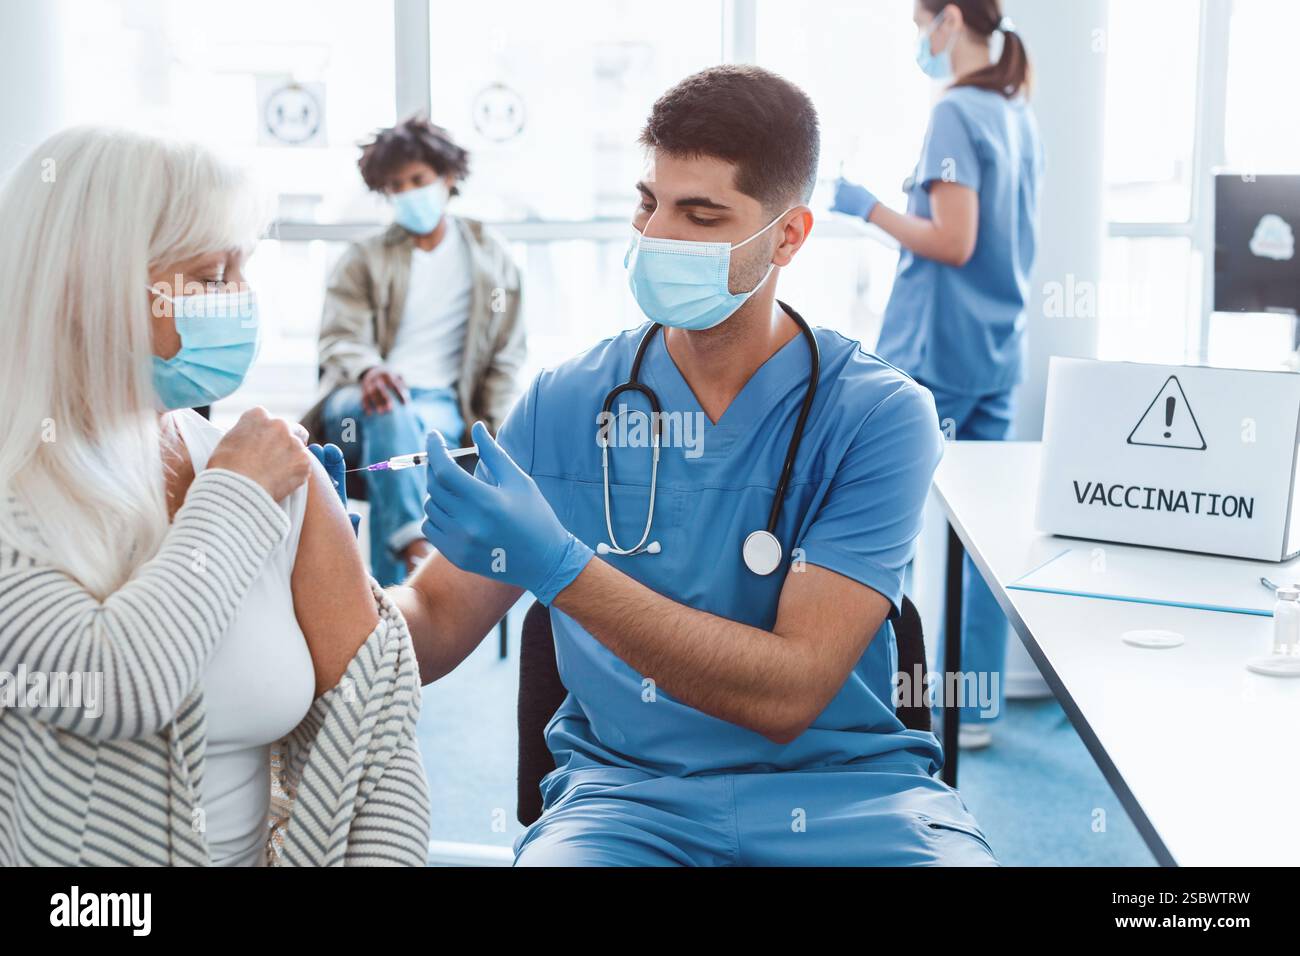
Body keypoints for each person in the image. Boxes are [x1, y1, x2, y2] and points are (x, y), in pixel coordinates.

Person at [389, 65, 996, 865]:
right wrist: (309, 546)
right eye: (650, 203)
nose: (658, 236)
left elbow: (788, 693)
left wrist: (560, 566)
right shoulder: (566, 403)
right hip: (623, 802)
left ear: (789, 235)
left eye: (701, 214)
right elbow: (430, 627)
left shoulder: (880, 416)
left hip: (856, 801)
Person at [0, 127, 429, 866]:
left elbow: (377, 732)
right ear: (84, 288)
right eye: (206, 276)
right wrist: (233, 496)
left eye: (242, 269)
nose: (238, 302)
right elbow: (116, 685)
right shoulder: (26, 492)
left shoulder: (272, 473)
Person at [832, 0, 1044, 749]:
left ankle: (883, 706)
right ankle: (972, 710)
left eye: (921, 22)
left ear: (948, 19)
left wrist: (867, 208)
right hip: (995, 350)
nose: (920, 39)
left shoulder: (957, 110)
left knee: (885, 529)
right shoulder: (1015, 108)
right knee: (982, 536)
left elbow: (952, 242)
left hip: (937, 353)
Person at [301, 117, 526, 586]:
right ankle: (414, 550)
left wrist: (500, 436)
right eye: (396, 186)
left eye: (418, 180)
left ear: (447, 178)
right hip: (357, 400)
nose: (409, 193)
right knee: (388, 407)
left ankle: (388, 599)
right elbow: (339, 339)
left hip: (443, 407)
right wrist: (369, 370)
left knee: (406, 441)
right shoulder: (365, 258)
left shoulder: (491, 259)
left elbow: (506, 356)